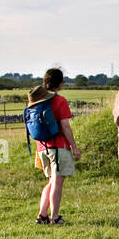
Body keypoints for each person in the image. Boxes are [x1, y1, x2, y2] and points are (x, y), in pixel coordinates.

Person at [31, 68, 81, 224]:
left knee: (51, 182)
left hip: (41, 147)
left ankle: (42, 215)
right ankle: (55, 217)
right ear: (60, 83)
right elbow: (65, 126)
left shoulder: (36, 100)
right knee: (57, 184)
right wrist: (74, 147)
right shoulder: (60, 101)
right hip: (58, 147)